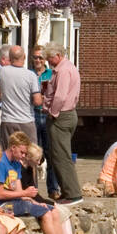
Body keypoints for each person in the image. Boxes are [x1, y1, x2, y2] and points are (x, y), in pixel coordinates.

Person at [0, 132, 87, 234]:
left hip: (15, 201)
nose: (23, 156)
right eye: (22, 152)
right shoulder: (1, 163)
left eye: (25, 153)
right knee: (46, 213)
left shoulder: (16, 164)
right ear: (13, 147)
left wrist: (34, 201)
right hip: (1, 204)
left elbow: (19, 193)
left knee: (53, 211)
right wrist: (25, 194)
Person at [43, 42, 82, 205]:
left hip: (62, 116)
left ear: (57, 56)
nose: (48, 61)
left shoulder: (63, 70)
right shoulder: (68, 68)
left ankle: (72, 194)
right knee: (59, 154)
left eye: (49, 58)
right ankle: (68, 192)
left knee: (61, 155)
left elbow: (60, 96)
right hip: (67, 114)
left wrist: (52, 112)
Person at [0, 46, 42, 146]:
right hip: (26, 120)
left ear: (10, 57)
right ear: (24, 56)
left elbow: (0, 91)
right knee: (29, 154)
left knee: (8, 153)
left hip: (8, 120)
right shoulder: (31, 75)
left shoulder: (3, 71)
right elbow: (37, 101)